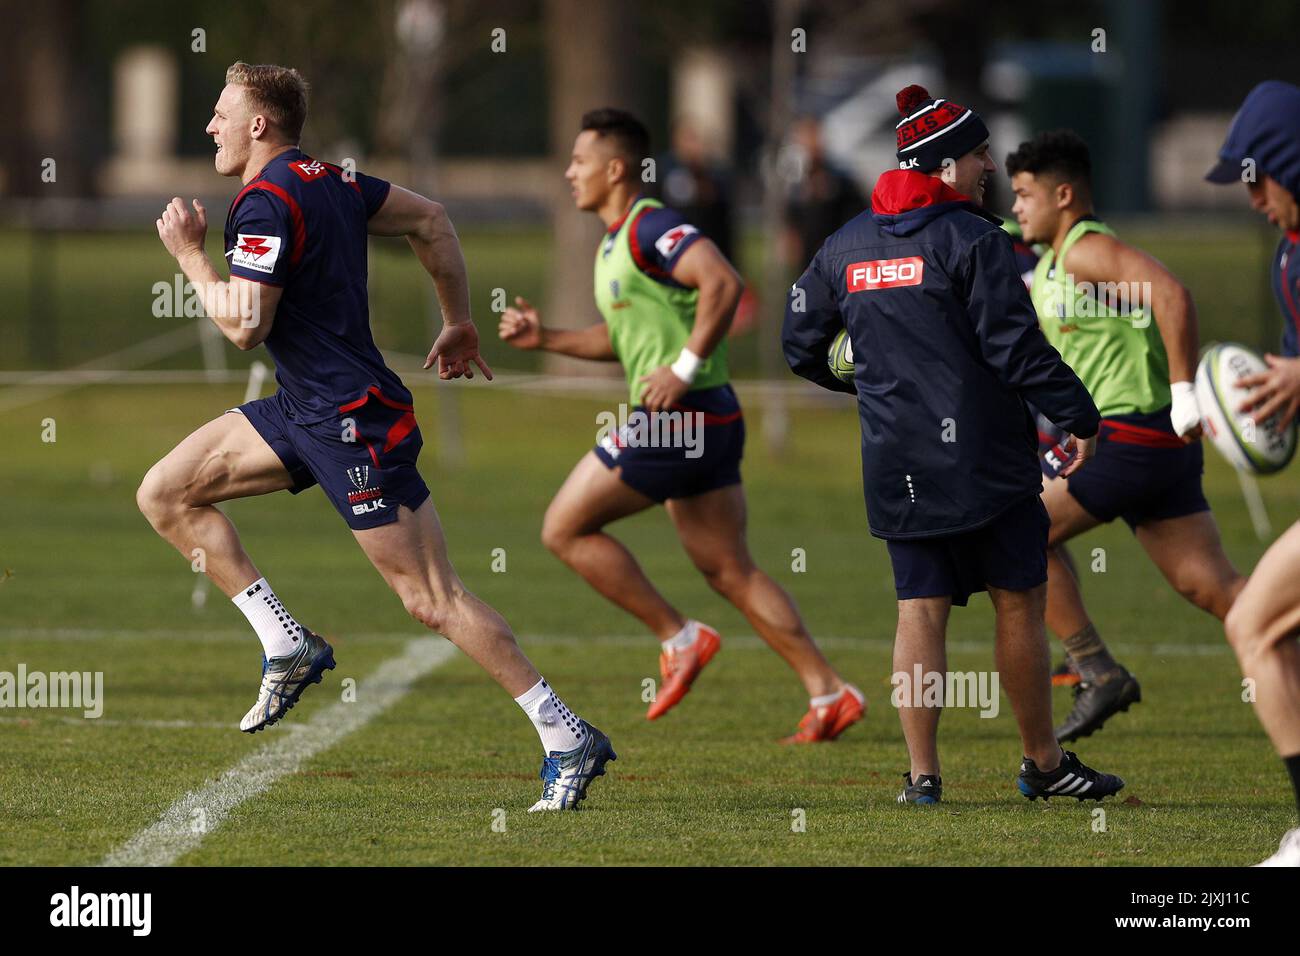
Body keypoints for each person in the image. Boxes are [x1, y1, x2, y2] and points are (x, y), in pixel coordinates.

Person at [141, 62, 614, 811]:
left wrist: (189, 255)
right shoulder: (334, 179)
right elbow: (432, 220)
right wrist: (456, 318)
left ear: (259, 124)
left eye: (221, 112)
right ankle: (286, 644)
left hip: (351, 420)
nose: (210, 126)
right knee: (165, 493)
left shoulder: (264, 202)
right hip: (304, 409)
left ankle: (566, 736)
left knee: (431, 598)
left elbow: (242, 327)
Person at [783, 85, 1124, 804]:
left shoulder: (845, 244)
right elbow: (1017, 351)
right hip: (986, 461)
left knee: (918, 608)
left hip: (895, 462)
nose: (988, 167)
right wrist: (1083, 418)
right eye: (976, 155)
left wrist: (870, 381)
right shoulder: (975, 240)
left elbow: (801, 345)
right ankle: (1043, 764)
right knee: (1018, 601)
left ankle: (922, 777)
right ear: (942, 167)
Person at [500, 108, 864, 741]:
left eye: (580, 162)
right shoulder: (616, 243)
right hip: (710, 416)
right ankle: (829, 691)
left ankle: (680, 636)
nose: (569, 172)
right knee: (730, 570)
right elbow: (623, 340)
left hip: (681, 417)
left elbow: (723, 281)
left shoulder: (652, 227)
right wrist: (546, 338)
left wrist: (684, 365)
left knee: (563, 528)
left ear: (616, 169)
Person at [1007, 130, 1246, 741]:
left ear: (1064, 195)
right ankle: (1284, 643)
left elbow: (1170, 294)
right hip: (1150, 449)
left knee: (1014, 533)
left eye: (1025, 195)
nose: (1017, 208)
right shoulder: (1056, 260)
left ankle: (1095, 669)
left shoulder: (1086, 251)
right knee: (1215, 588)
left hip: (1129, 435)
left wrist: (1185, 392)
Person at [1206, 79, 1300, 866]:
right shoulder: (1289, 262)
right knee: (1262, 627)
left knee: (1255, 625)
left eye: (1253, 178)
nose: (1249, 198)